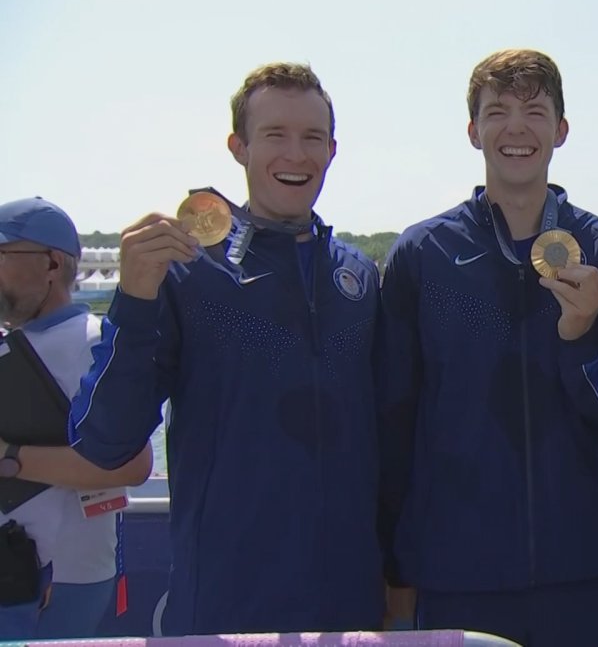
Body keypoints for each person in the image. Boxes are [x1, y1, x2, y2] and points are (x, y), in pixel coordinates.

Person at [9, 64, 386, 634]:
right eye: (274, 134)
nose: (296, 153)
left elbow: (390, 439)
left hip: (349, 602)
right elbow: (108, 443)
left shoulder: (357, 279)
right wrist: (133, 299)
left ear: (333, 150)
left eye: (312, 137)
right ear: (239, 147)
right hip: (225, 603)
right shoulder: (188, 271)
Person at [376, 48, 598, 646]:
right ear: (473, 131)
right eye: (497, 111)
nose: (516, 127)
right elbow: (394, 421)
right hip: (458, 573)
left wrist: (581, 342)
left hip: (585, 566)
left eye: (535, 111)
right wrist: (397, 561)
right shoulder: (422, 254)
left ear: (561, 130)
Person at [0, 197, 152, 639]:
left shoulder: (93, 345)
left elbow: (132, 463)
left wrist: (11, 457)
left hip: (49, 581)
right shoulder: (21, 345)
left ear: (51, 264)